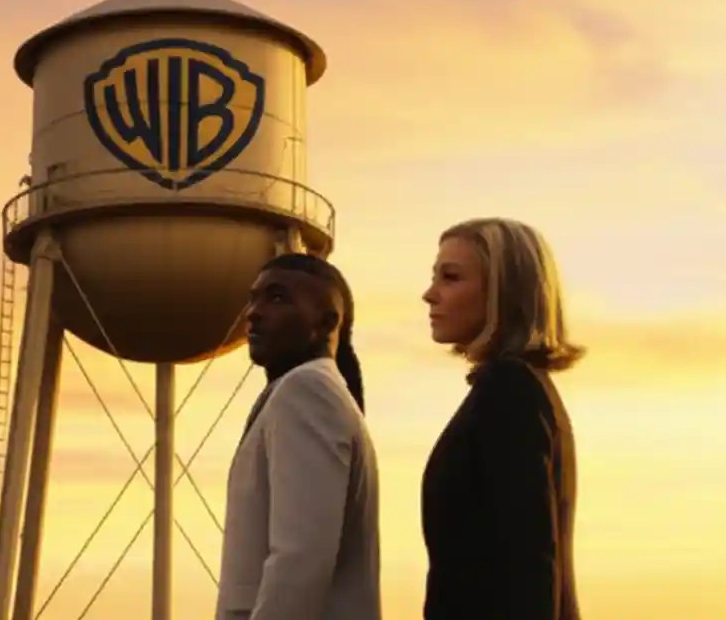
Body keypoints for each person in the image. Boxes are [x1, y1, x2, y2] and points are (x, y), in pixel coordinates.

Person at [420, 217, 584, 620]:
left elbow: (530, 558)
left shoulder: (509, 390)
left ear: (502, 294)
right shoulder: (520, 389)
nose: (429, 294)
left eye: (451, 277)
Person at [217, 253, 382, 620]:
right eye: (253, 298)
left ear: (327, 323)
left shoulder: (308, 390)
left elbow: (300, 558)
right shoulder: (312, 392)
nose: (253, 312)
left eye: (277, 298)